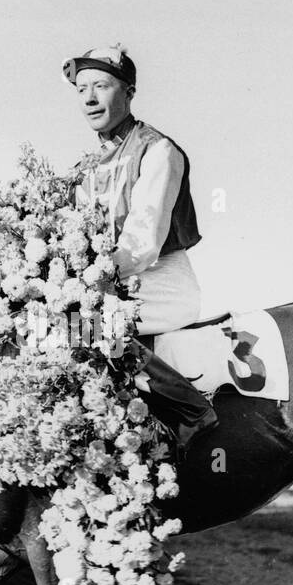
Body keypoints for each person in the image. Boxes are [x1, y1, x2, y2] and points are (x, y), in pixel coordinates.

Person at [63, 44, 218, 453]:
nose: (90, 98)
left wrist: (85, 282)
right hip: (108, 289)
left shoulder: (158, 150)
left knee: (79, 327)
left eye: (102, 85)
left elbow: (143, 243)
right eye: (81, 89)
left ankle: (192, 411)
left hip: (158, 284)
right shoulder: (84, 168)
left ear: (129, 92)